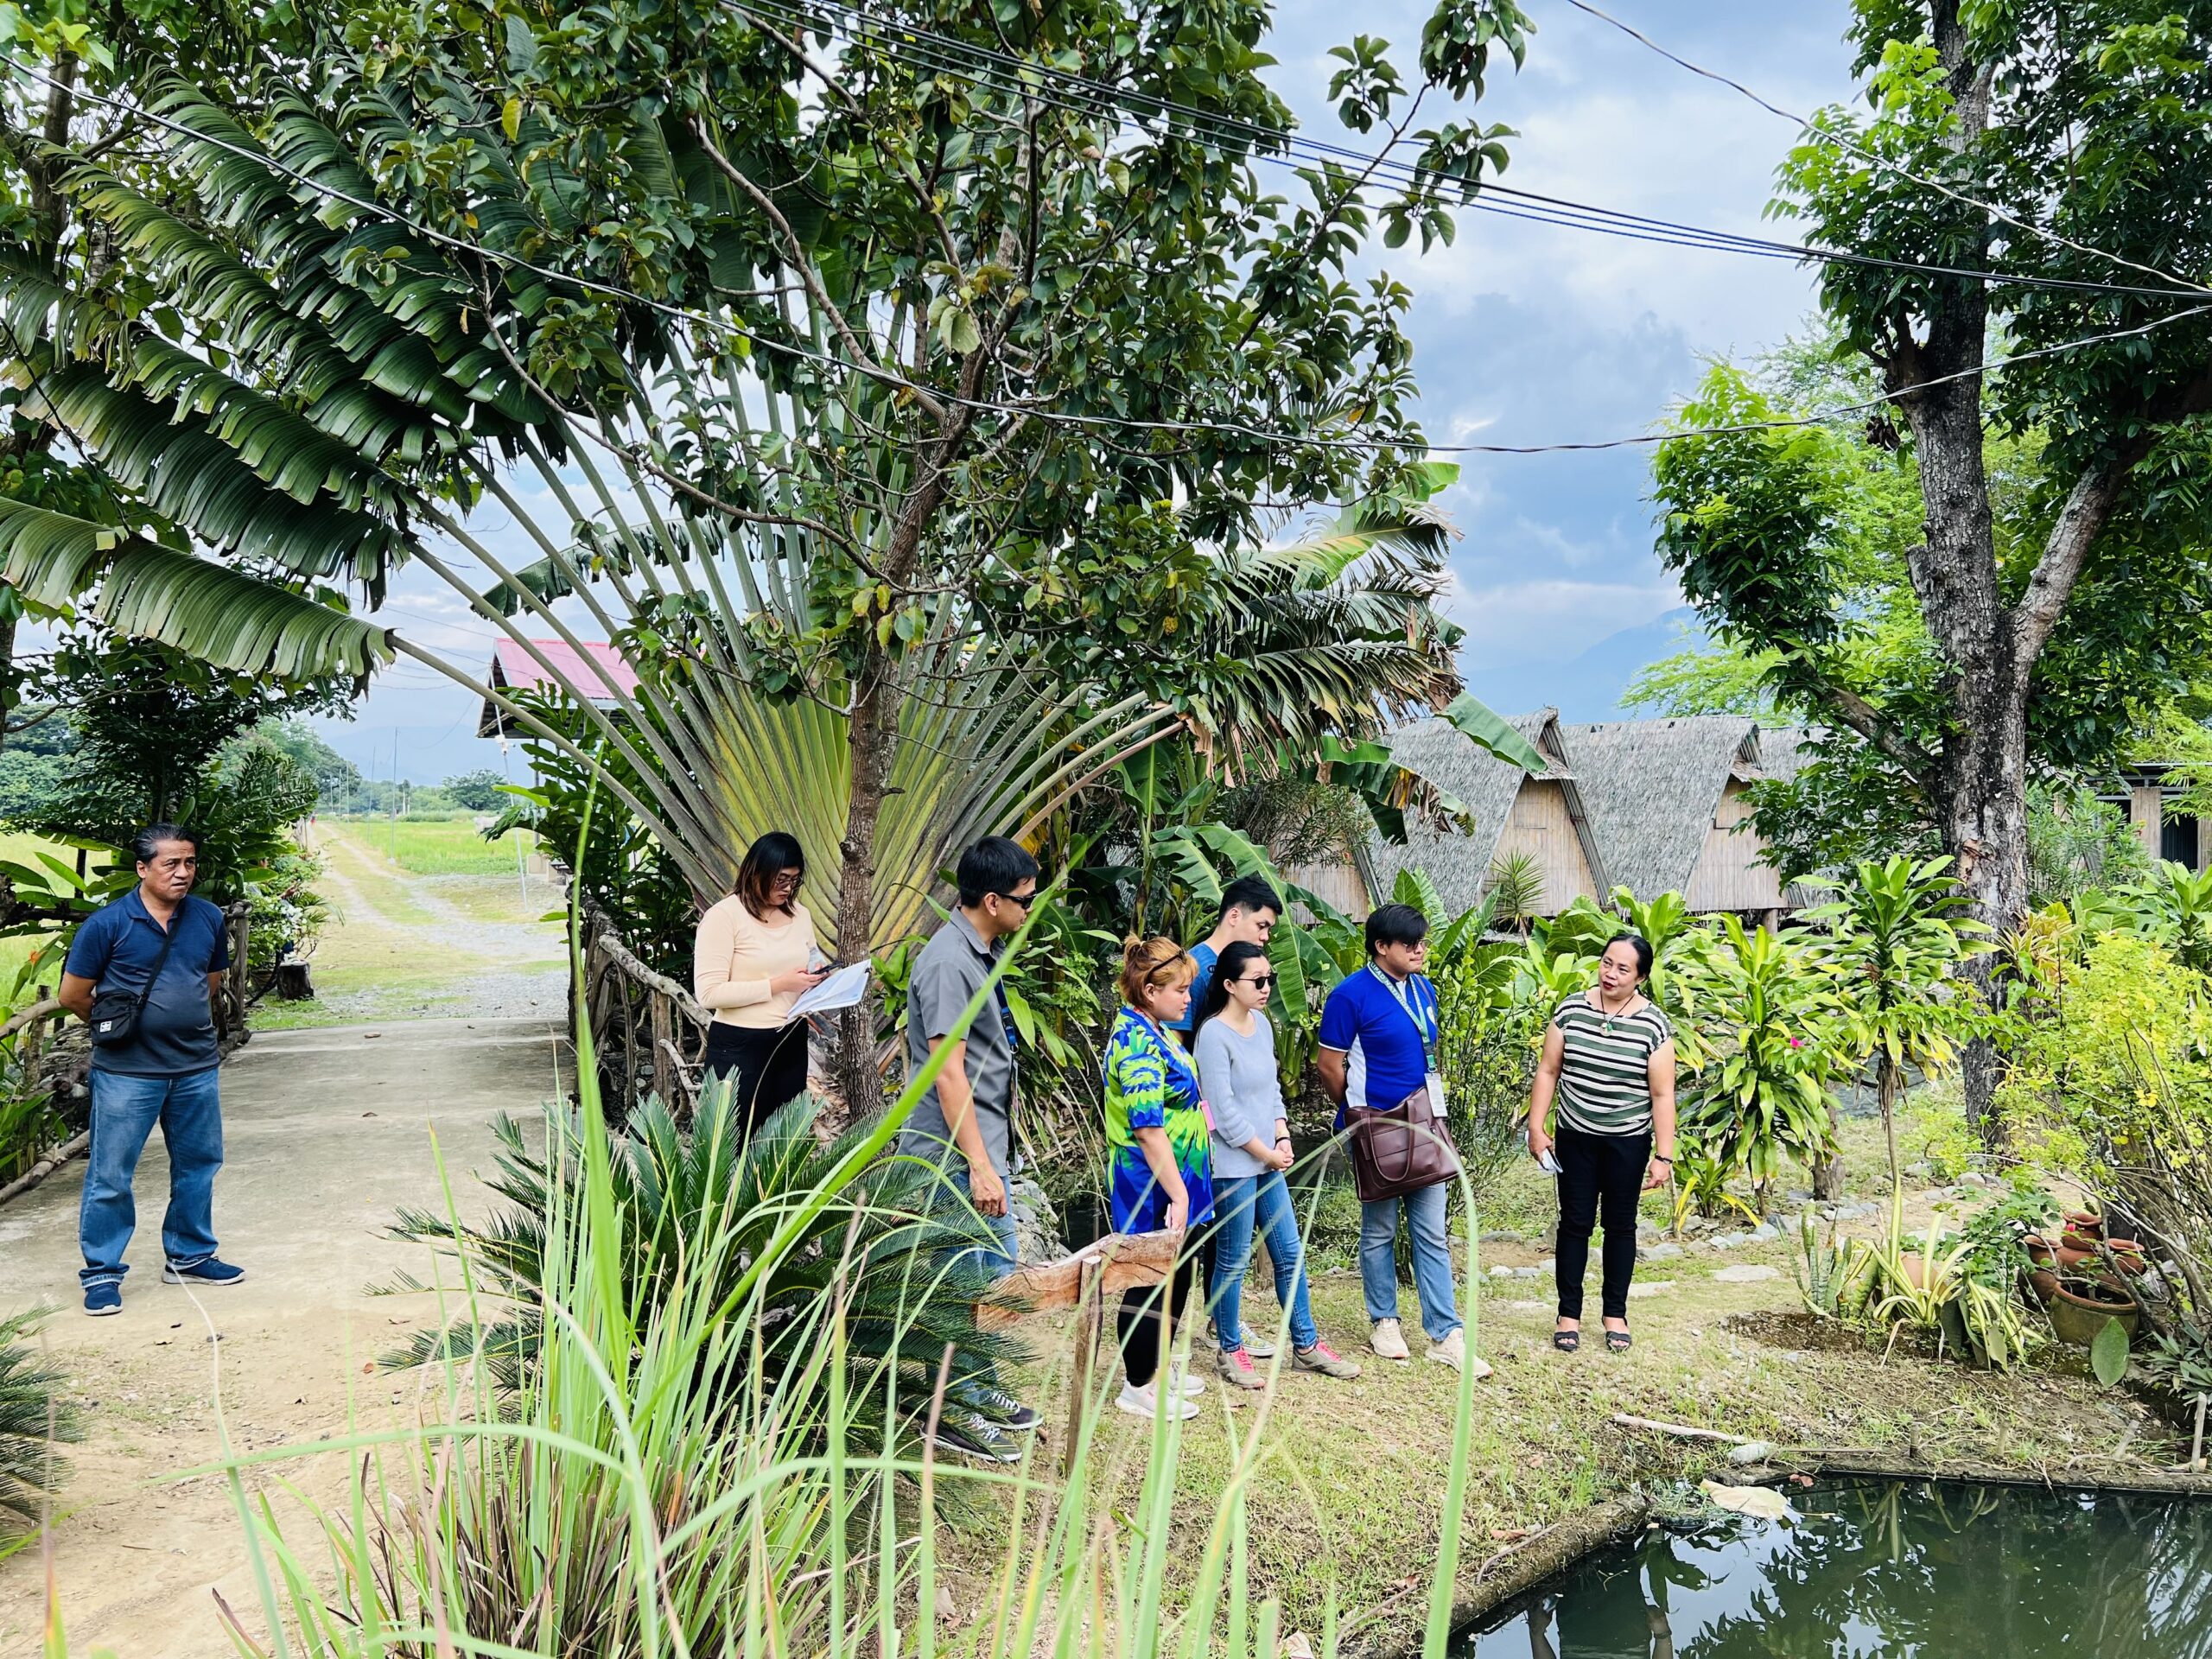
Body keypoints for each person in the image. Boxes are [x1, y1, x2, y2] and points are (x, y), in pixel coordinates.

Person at [898, 835, 1042, 1460]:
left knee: (991, 1280)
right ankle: (950, 1410)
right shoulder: (948, 963)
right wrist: (980, 1167)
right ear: (991, 901)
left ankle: (978, 1388)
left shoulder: (977, 952)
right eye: (1024, 900)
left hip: (980, 1146)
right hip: (955, 1155)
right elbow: (947, 1071)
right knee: (961, 1287)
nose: (1030, 908)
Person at [59, 825, 239, 1316]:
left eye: (190, 863)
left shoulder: (206, 917)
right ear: (142, 869)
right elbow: (74, 996)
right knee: (111, 1173)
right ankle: (101, 1273)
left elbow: (210, 980)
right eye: (171, 864)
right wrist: (121, 1030)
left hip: (195, 1066)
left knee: (199, 1164)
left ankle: (189, 1254)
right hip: (128, 1071)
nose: (184, 873)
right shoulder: (108, 924)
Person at [1316, 902, 1490, 1376]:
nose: (1420, 950)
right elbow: (1330, 1066)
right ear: (1381, 947)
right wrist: (1355, 1113)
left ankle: (1445, 1333)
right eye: (1409, 943)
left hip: (1427, 1122)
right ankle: (1384, 1320)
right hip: (1376, 1128)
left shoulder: (1425, 989)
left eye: (1423, 942)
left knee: (1432, 1231)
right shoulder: (1349, 996)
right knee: (1379, 1229)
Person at [1192, 940, 1361, 1387]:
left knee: (1289, 1252)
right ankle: (1230, 1350)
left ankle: (1305, 1345)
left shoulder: (1262, 1025)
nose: (1268, 987)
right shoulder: (1212, 1035)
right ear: (1229, 985)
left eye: (1270, 979)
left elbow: (1270, 1091)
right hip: (1233, 1163)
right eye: (1258, 980)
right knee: (1231, 1261)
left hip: (1267, 1159)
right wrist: (1264, 1151)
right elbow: (1222, 1109)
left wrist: (1282, 1134)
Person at [1526, 932, 1678, 1354]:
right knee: (1574, 1224)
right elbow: (1548, 1071)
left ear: (1641, 977)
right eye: (1606, 963)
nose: (1611, 974)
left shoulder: (1654, 1025)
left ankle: (1615, 1313)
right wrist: (1537, 1128)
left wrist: (1663, 1155)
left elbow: (1663, 1095)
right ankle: (1568, 1315)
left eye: (1623, 968)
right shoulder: (1572, 1009)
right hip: (1575, 1137)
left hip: (1627, 1142)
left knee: (1620, 1225)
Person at [1103, 937, 1216, 1420]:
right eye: (1181, 990)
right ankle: (1137, 1382)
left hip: (1182, 1175)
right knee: (1149, 1278)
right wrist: (1177, 1192)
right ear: (1150, 990)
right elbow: (1147, 1127)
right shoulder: (1134, 1040)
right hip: (1152, 1182)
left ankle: (1158, 1367)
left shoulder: (1157, 1031)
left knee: (1180, 1273)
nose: (1188, 998)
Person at [692, 831, 826, 1129]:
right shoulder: (724, 917)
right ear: (756, 873)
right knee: (734, 1141)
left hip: (791, 1038)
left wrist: (819, 975)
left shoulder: (801, 915)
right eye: (781, 880)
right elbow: (709, 993)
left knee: (782, 1141)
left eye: (795, 880)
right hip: (740, 1044)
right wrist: (779, 985)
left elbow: (811, 959)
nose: (789, 889)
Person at [1166, 874, 1281, 1039]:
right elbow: (1175, 1043)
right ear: (1234, 916)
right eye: (1261, 926)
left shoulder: (1253, 966)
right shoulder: (1195, 967)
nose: (1265, 937)